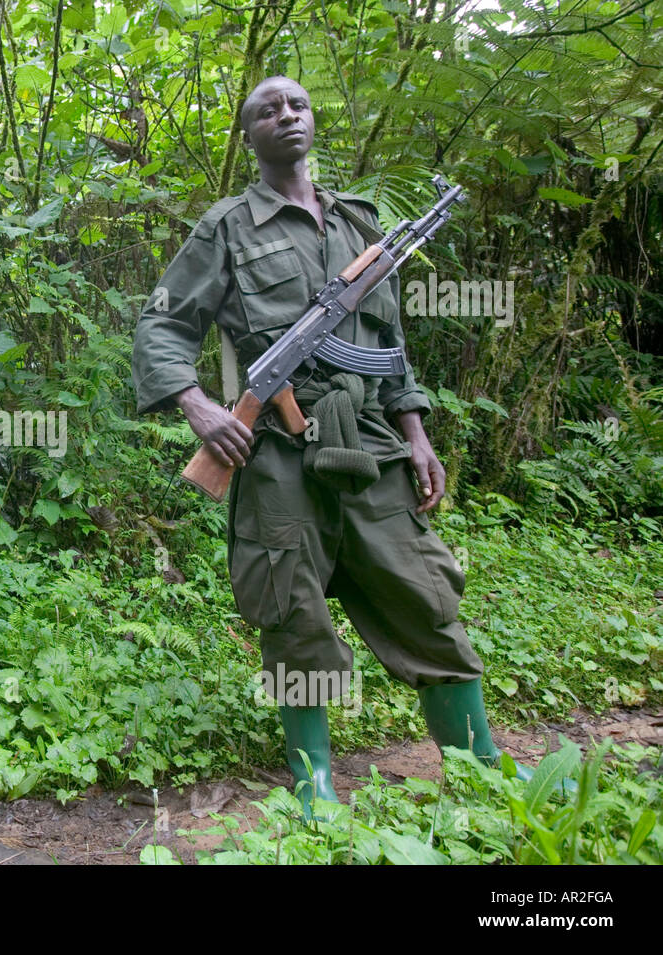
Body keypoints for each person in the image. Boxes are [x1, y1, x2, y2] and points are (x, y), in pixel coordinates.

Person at [131, 76, 539, 818]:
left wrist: (416, 432)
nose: (286, 115)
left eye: (297, 105)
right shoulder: (225, 228)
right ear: (246, 135)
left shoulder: (359, 224)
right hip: (278, 453)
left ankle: (479, 767)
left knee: (426, 597)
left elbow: (387, 345)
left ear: (313, 120)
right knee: (292, 612)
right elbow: (162, 325)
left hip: (373, 444)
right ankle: (314, 780)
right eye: (266, 110)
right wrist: (198, 406)